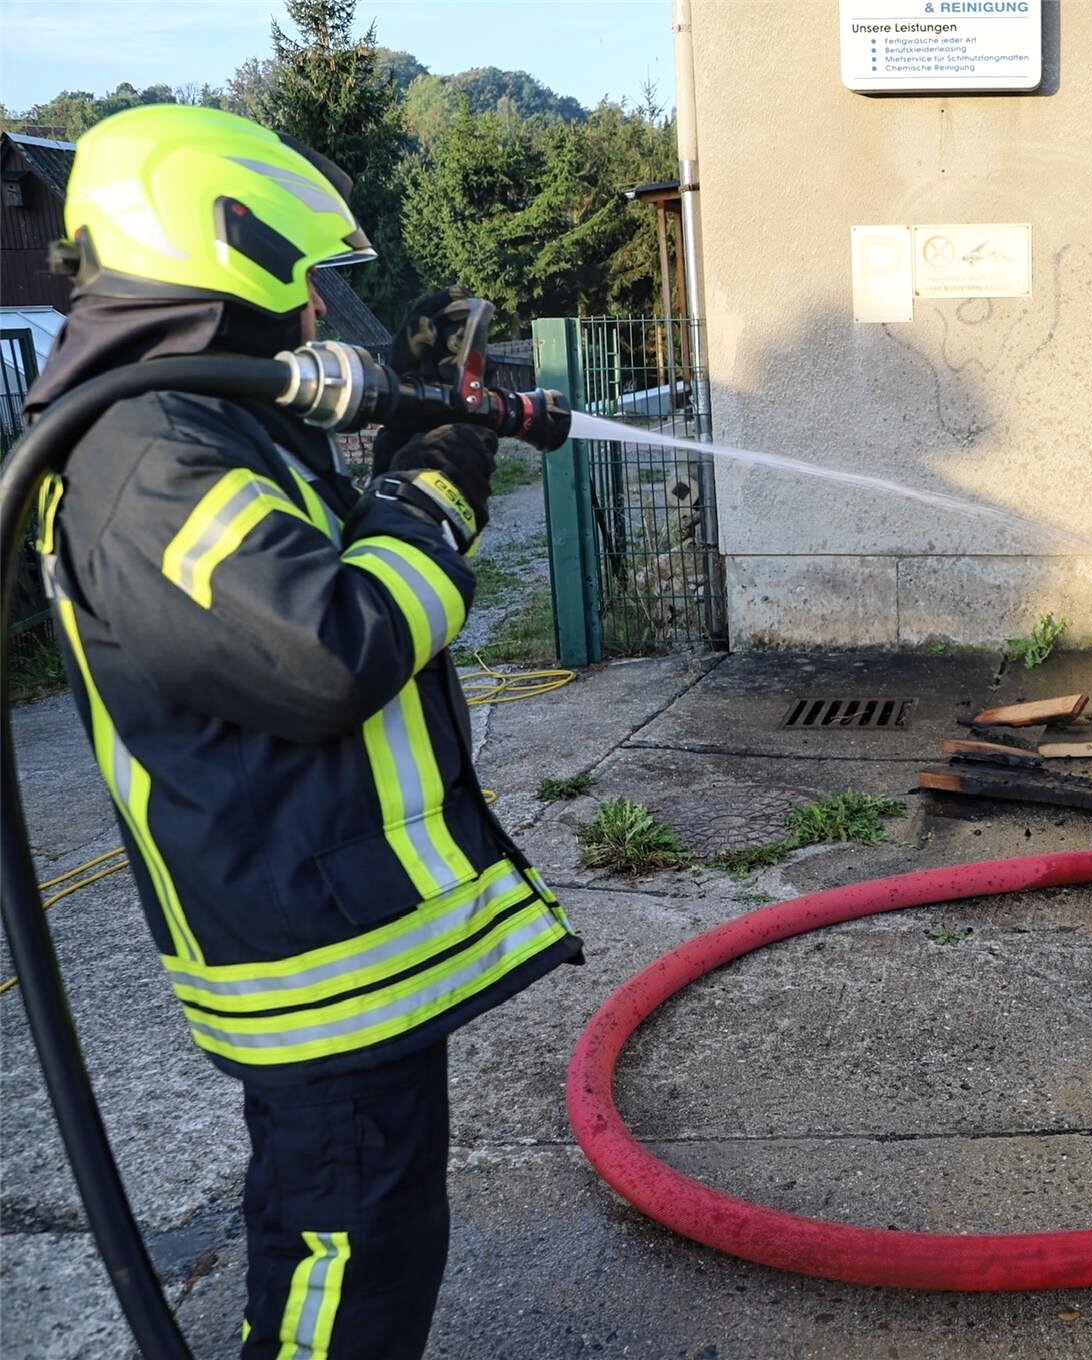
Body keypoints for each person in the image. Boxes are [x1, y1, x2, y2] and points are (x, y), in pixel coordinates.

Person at [24, 104, 581, 1358]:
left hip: (331, 920)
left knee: (338, 1225)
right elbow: (328, 648)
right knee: (350, 1247)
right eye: (304, 277)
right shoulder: (145, 451)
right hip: (307, 946)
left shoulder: (198, 422)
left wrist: (411, 428)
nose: (319, 316)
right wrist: (436, 476)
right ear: (227, 241)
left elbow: (299, 563)